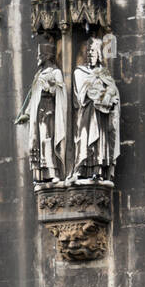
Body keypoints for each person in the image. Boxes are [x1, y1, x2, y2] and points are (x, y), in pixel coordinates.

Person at [17, 42, 68, 183]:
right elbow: (33, 97)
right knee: (36, 142)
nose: (38, 57)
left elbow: (58, 90)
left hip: (48, 111)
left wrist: (47, 85)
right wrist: (26, 114)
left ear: (47, 56)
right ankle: (39, 174)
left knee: (47, 140)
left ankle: (52, 172)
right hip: (36, 113)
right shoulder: (38, 74)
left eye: (40, 55)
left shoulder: (55, 72)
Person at [72, 39, 120, 182]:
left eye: (93, 51)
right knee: (85, 139)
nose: (90, 54)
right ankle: (82, 169)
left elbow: (113, 90)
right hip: (87, 112)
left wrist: (109, 98)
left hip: (101, 115)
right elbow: (82, 94)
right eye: (88, 51)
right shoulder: (79, 72)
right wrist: (101, 95)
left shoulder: (104, 74)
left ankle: (98, 170)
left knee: (100, 141)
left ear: (99, 54)